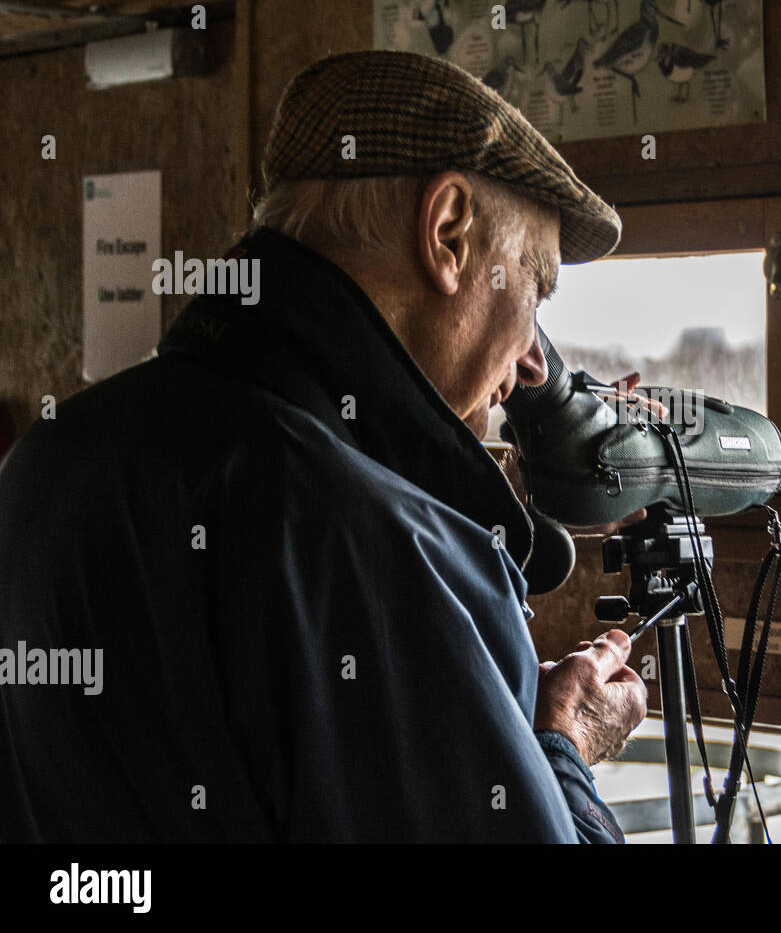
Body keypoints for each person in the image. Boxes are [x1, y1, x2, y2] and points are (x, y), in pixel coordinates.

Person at [0, 50, 647, 842]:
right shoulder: (379, 543)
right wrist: (560, 749)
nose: (531, 358)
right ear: (447, 233)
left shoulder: (44, 458)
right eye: (534, 284)